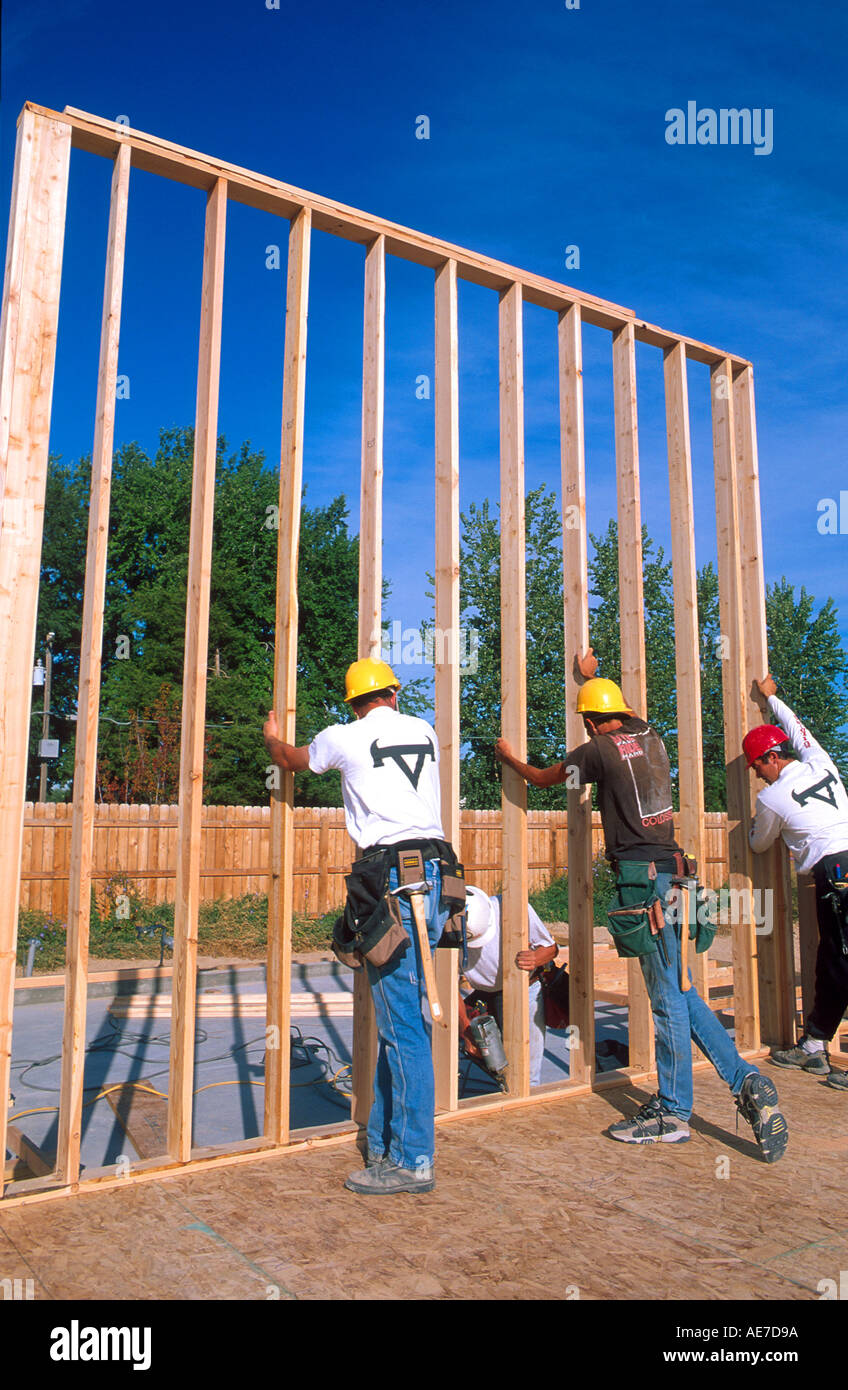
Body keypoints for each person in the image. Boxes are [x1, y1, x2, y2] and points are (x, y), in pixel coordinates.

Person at [494, 650, 789, 1161]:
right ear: (624, 711)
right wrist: (592, 679)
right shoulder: (650, 736)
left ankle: (672, 1112)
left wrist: (508, 757)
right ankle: (746, 1081)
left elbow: (543, 779)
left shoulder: (597, 752)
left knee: (666, 1000)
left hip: (643, 882)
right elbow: (622, 716)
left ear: (590, 723)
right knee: (682, 989)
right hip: (678, 874)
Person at [263, 656, 456, 1195]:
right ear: (393, 695)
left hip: (392, 878)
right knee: (405, 1018)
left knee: (404, 1028)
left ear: (352, 703)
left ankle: (414, 1160)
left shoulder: (340, 738)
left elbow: (290, 759)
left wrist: (272, 738)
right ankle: (385, 1142)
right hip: (438, 874)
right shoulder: (424, 729)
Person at [746, 674, 848, 1090]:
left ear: (770, 759)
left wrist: (756, 826)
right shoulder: (819, 762)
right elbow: (799, 730)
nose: (756, 776)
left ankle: (815, 1044)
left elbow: (757, 845)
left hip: (837, 874)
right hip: (839, 867)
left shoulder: (772, 799)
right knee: (832, 959)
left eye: (756, 767)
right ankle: (814, 1045)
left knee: (841, 960)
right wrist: (773, 699)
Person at [461, 884, 558, 1086]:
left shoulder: (510, 908)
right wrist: (465, 1029)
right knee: (496, 1061)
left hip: (524, 990)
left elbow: (550, 948)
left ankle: (525, 1107)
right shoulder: (448, 925)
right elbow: (447, 990)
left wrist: (535, 957)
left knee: (527, 1073)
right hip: (484, 995)